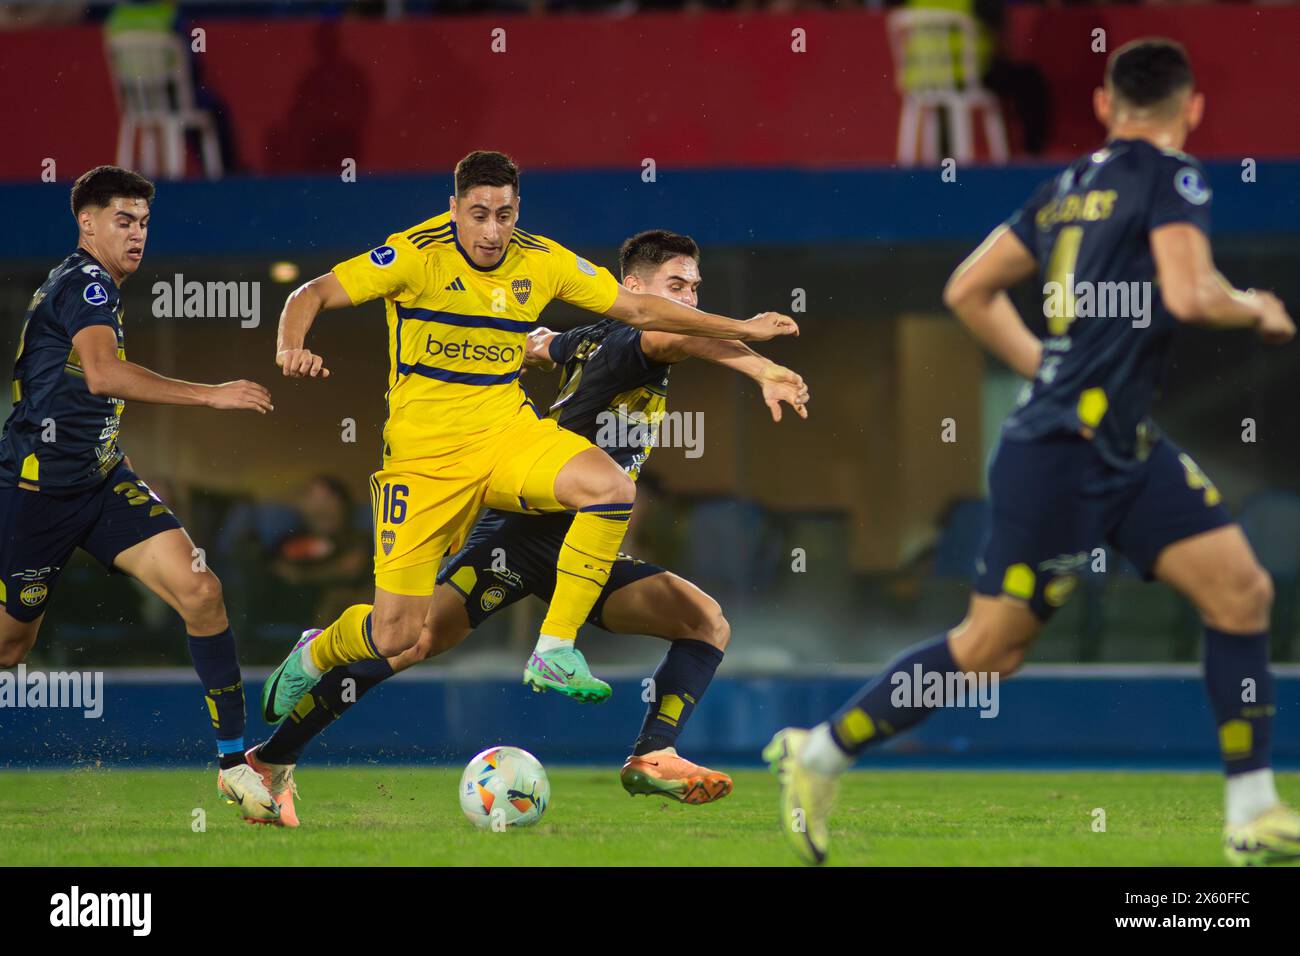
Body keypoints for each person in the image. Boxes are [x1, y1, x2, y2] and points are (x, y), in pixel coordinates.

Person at [766, 38, 1300, 867]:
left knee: (1240, 591)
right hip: (1058, 454)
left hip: (1120, 444)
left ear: (1103, 106)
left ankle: (1252, 812)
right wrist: (1255, 309)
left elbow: (966, 290)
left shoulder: (1066, 187)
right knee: (992, 651)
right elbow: (1193, 292)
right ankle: (821, 752)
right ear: (1191, 109)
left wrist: (1044, 364)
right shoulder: (1174, 174)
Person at [247, 230, 809, 825]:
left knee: (704, 621)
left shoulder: (595, 336)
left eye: (695, 287)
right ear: (634, 291)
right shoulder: (643, 339)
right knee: (410, 640)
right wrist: (761, 363)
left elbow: (543, 344)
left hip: (584, 543)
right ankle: (277, 749)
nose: (690, 299)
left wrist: (530, 345)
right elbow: (679, 336)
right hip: (525, 529)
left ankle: (653, 755)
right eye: (676, 287)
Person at [0, 165, 279, 822]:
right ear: (86, 223)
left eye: (144, 223)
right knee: (11, 648)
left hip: (100, 482)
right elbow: (102, 376)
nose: (136, 235)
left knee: (202, 591)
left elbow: (83, 390)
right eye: (122, 221)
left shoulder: (89, 287)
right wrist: (209, 393)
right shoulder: (87, 283)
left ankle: (233, 764)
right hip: (37, 492)